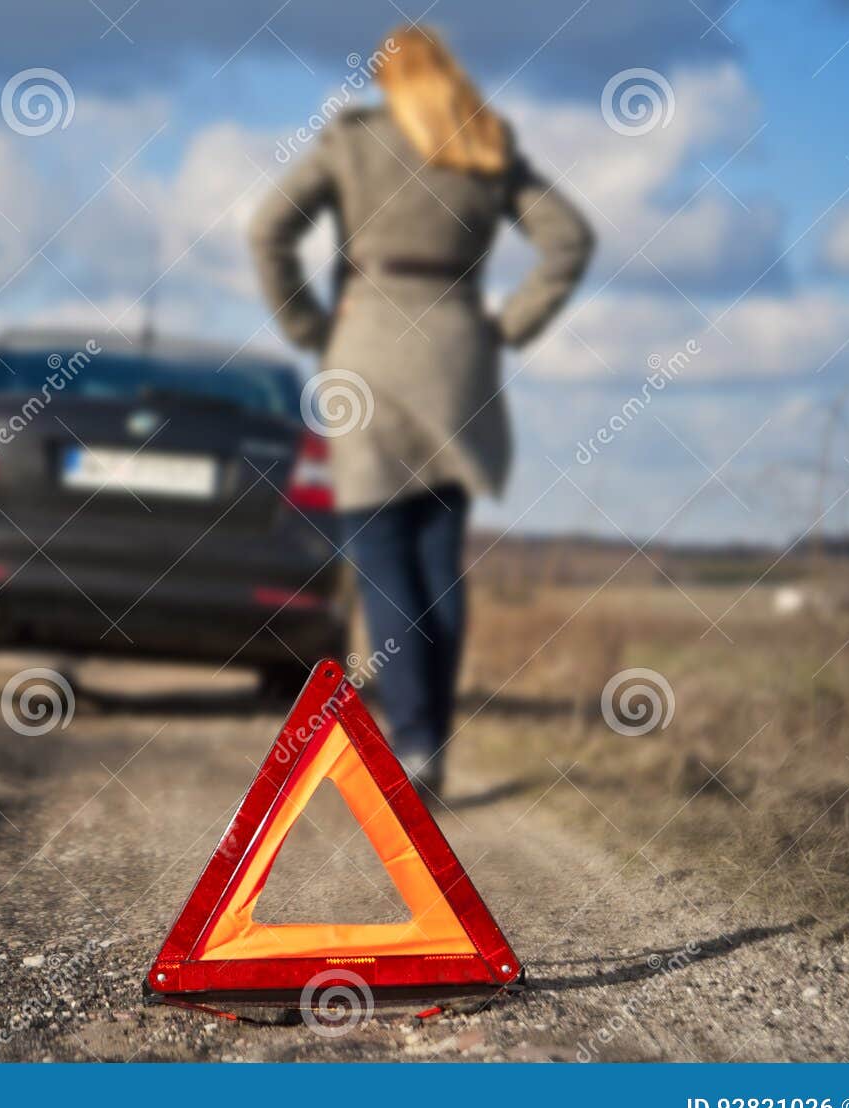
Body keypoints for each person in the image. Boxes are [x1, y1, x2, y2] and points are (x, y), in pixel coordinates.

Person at [249, 25, 593, 798]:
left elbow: (266, 231)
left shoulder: (353, 141)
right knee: (439, 563)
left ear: (389, 81)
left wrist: (307, 326)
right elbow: (566, 239)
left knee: (382, 562)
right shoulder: (485, 145)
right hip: (456, 357)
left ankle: (411, 741)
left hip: (369, 349)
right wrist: (509, 326)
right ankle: (431, 742)